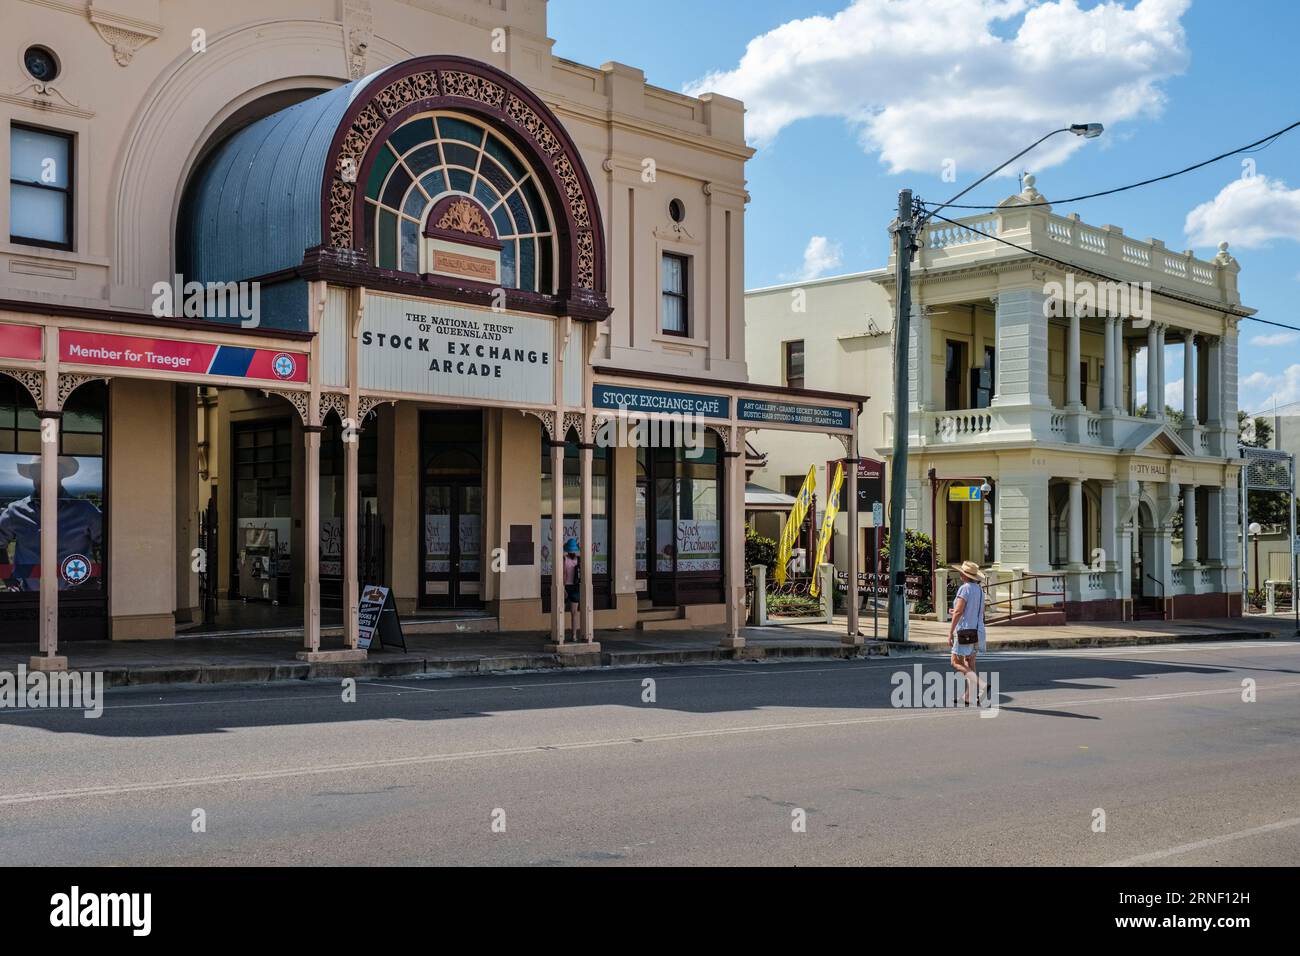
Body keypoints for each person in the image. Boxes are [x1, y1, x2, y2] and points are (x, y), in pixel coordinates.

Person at [0, 455, 102, 592]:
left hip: (76, 599)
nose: (44, 477)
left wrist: (97, 576)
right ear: (32, 476)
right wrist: (9, 580)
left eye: (51, 471)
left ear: (61, 474)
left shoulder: (85, 511)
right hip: (29, 597)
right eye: (38, 472)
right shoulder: (15, 511)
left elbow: (108, 546)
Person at [947, 560, 987, 705]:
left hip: (964, 631)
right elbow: (978, 610)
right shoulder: (979, 590)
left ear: (965, 575)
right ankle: (969, 696)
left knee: (955, 662)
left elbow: (958, 611)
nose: (960, 574)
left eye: (961, 573)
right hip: (978, 630)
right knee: (970, 662)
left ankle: (981, 684)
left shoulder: (965, 589)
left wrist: (950, 631)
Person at [562, 537, 584, 642]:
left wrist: (563, 588)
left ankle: (559, 633)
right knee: (574, 612)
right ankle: (574, 635)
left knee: (561, 610)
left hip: (566, 587)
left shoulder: (564, 559)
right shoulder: (579, 559)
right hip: (576, 587)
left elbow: (563, 574)